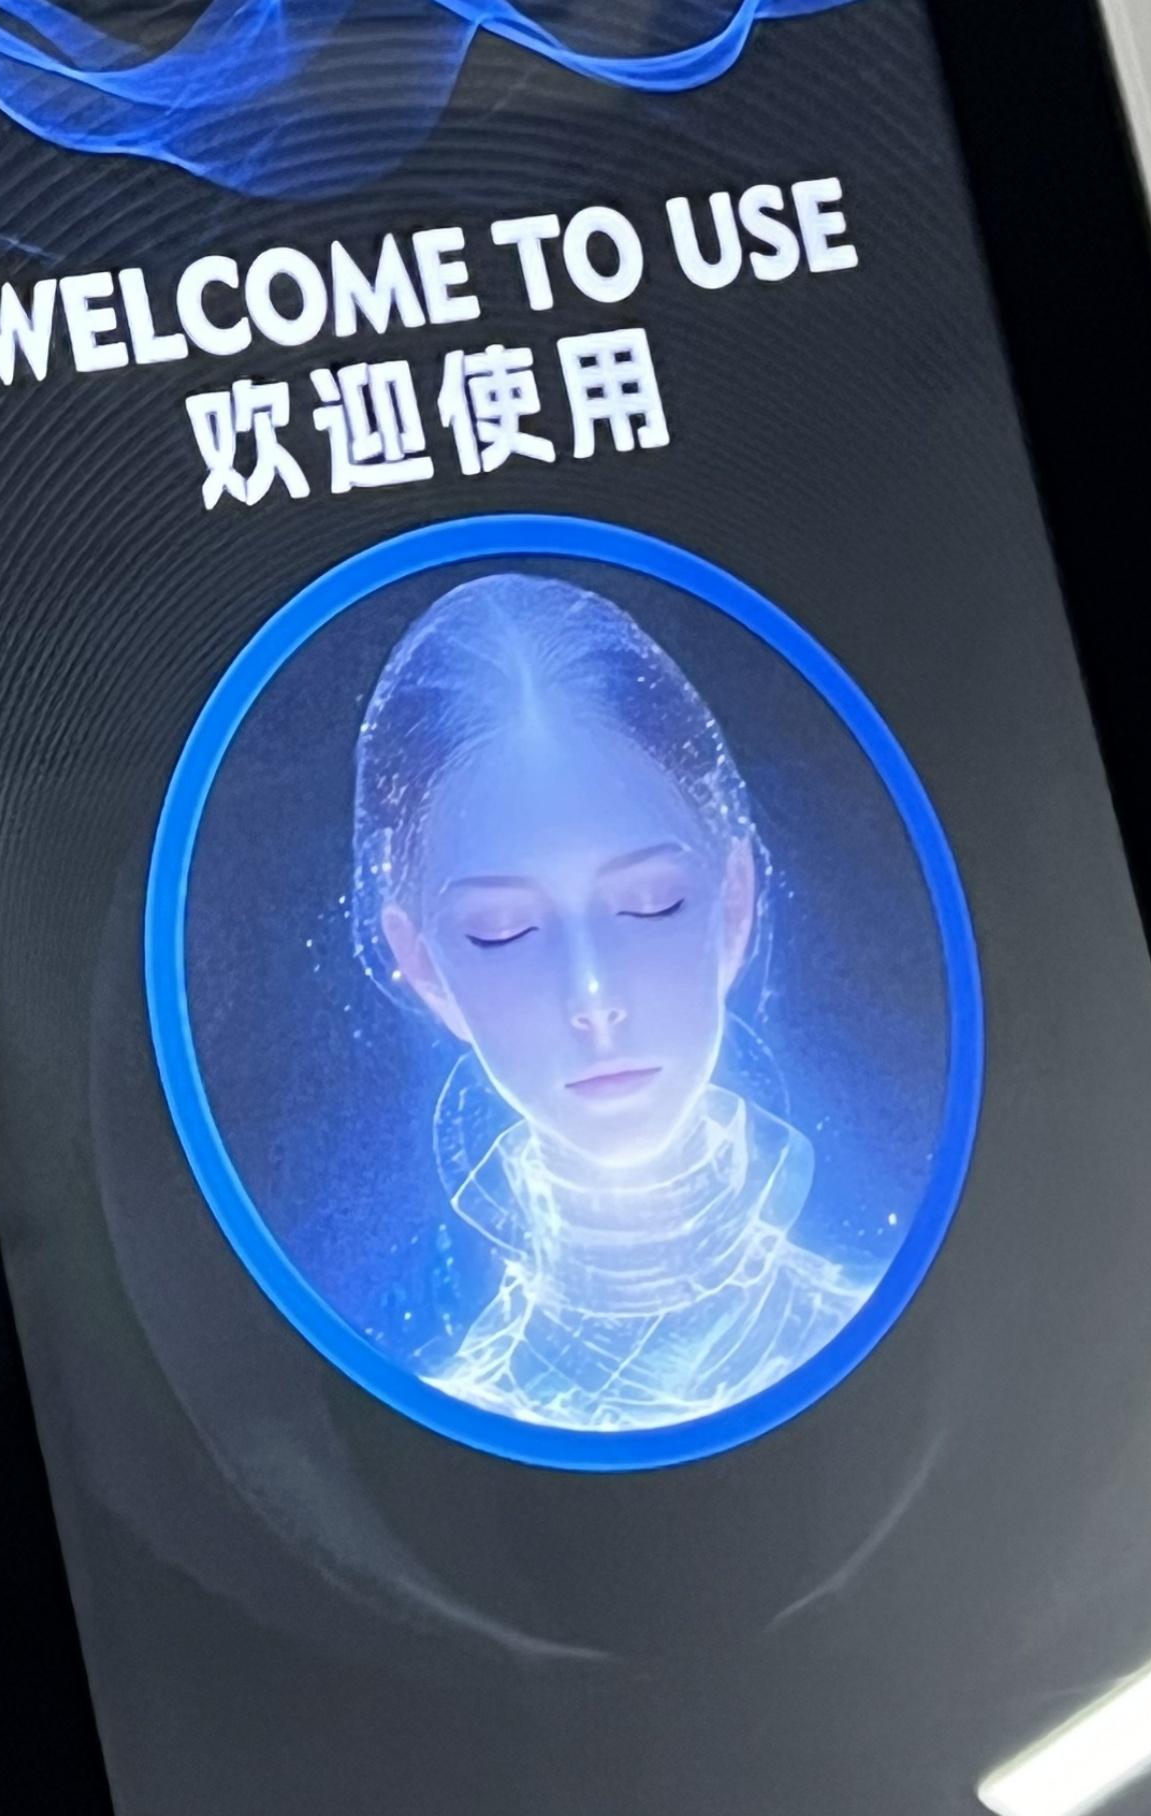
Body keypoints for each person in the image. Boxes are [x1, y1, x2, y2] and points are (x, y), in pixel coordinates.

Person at [354, 571, 873, 1436]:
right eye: (500, 931)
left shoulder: (914, 1335)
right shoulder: (442, 1422)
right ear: (420, 964)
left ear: (733, 900)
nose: (592, 997)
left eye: (650, 905)